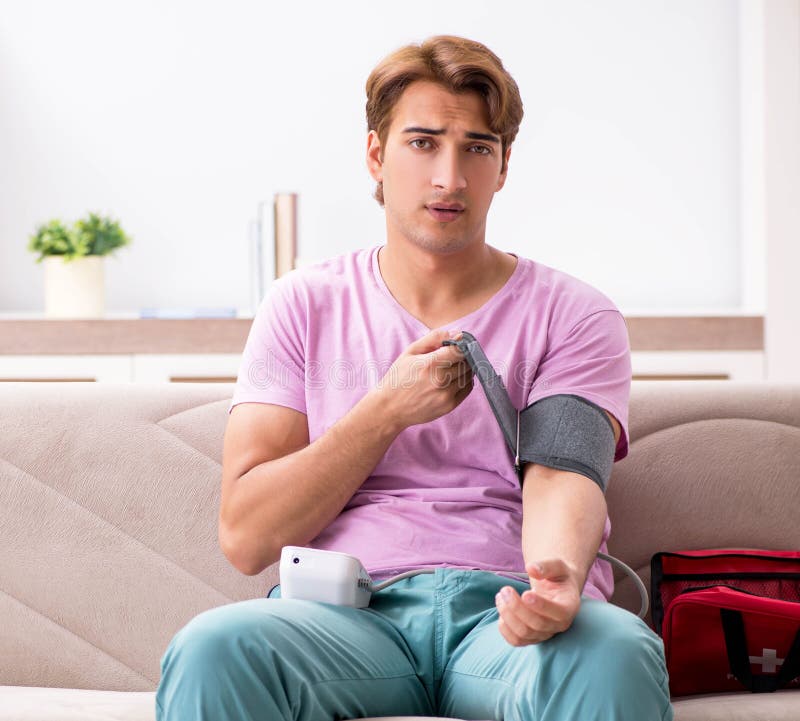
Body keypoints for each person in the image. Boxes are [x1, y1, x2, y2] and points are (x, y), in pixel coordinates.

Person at [156, 35, 672, 721]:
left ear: (503, 166)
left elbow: (561, 477)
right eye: (423, 143)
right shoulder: (302, 305)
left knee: (616, 649)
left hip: (507, 619)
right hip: (345, 618)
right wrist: (385, 411)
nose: (449, 178)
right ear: (377, 154)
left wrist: (558, 580)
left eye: (477, 149)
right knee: (212, 647)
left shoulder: (574, 315)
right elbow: (248, 537)